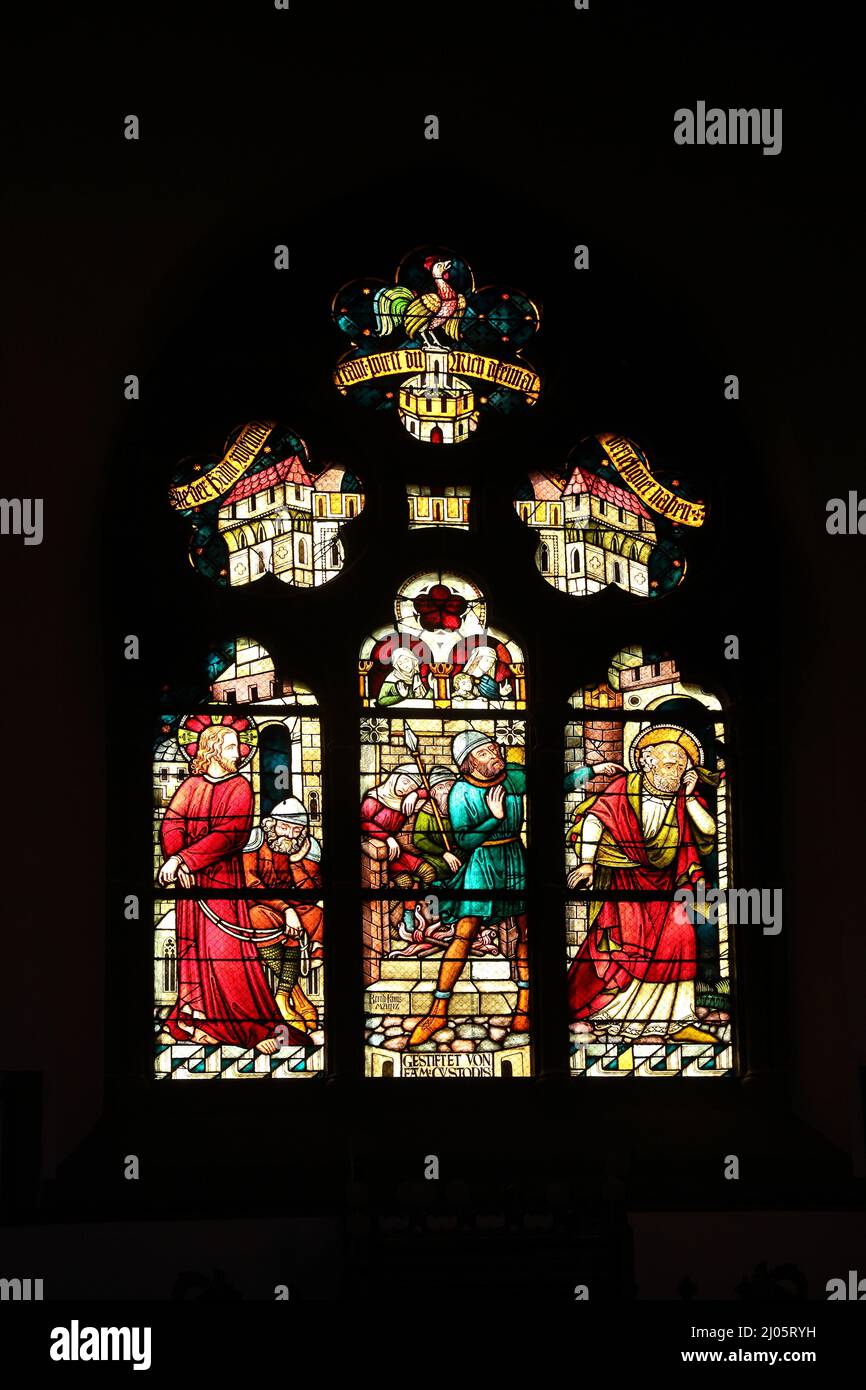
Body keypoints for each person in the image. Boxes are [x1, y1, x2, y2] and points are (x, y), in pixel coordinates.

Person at [565, 725, 718, 1043]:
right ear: (647, 761)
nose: (675, 770)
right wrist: (587, 862)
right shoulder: (624, 786)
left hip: (666, 886)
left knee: (681, 939)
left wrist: (688, 798)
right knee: (628, 948)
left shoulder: (681, 798)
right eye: (669, 762)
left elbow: (709, 831)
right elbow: (595, 818)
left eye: (680, 765)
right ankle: (619, 1017)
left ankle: (676, 1020)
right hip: (625, 883)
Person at [157, 722, 283, 1054]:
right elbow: (171, 823)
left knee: (226, 951)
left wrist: (184, 859)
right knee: (193, 952)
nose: (238, 752)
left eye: (239, 746)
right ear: (212, 750)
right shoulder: (191, 785)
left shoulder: (240, 786)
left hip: (222, 881)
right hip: (192, 885)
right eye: (230, 747)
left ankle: (251, 1027)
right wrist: (177, 859)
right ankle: (199, 1021)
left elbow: (232, 833)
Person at [408, 730, 528, 1046]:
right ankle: (438, 1011)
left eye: (494, 748)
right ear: (469, 762)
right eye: (486, 752)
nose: (495, 754)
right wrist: (495, 818)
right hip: (482, 863)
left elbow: (557, 781)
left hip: (515, 858)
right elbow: (465, 840)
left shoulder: (513, 778)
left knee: (529, 934)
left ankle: (526, 1007)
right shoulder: (461, 792)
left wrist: (593, 772)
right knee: (464, 934)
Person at [242, 796, 323, 1034]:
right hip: (261, 905)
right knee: (258, 916)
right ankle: (294, 996)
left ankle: (283, 995)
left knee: (316, 914)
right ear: (271, 824)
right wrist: (285, 910)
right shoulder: (255, 841)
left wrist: (297, 862)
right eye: (284, 827)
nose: (289, 834)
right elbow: (251, 883)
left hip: (292, 908)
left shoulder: (307, 848)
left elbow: (310, 894)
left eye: (296, 829)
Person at [360, 764, 436, 889]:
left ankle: (427, 905)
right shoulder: (375, 798)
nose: (406, 788)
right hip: (378, 852)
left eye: (412, 787)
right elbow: (364, 822)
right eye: (404, 781)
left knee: (429, 873)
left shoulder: (406, 802)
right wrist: (387, 837)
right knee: (405, 883)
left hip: (396, 853)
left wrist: (415, 794)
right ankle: (407, 908)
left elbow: (430, 791)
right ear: (395, 777)